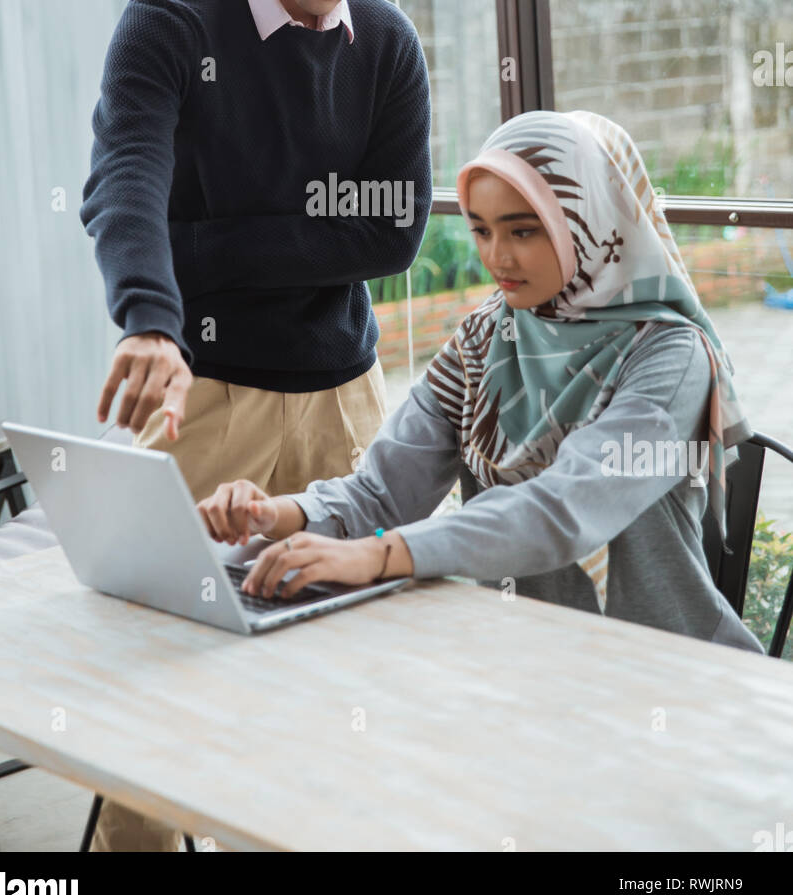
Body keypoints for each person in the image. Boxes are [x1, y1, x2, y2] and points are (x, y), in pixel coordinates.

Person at [79, 0, 440, 851]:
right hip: (202, 391)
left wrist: (206, 244)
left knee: (347, 659)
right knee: (157, 665)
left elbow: (393, 231)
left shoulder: (386, 45)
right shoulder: (172, 24)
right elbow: (125, 182)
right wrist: (152, 313)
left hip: (344, 398)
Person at [208, 107, 764, 662]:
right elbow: (383, 492)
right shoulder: (486, 336)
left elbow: (565, 509)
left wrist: (382, 556)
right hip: (522, 659)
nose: (497, 256)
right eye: (481, 230)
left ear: (587, 218)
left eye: (523, 230)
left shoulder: (669, 354)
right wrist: (275, 515)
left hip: (671, 671)